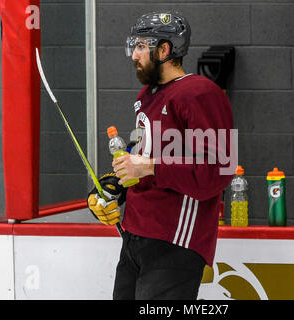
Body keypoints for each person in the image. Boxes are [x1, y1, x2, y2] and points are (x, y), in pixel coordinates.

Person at [87, 11, 235, 300]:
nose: (134, 55)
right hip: (135, 235)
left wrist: (150, 166)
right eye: (134, 46)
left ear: (164, 50)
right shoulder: (147, 95)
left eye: (142, 46)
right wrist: (113, 186)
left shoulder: (200, 93)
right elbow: (143, 155)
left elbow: (219, 168)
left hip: (174, 240)